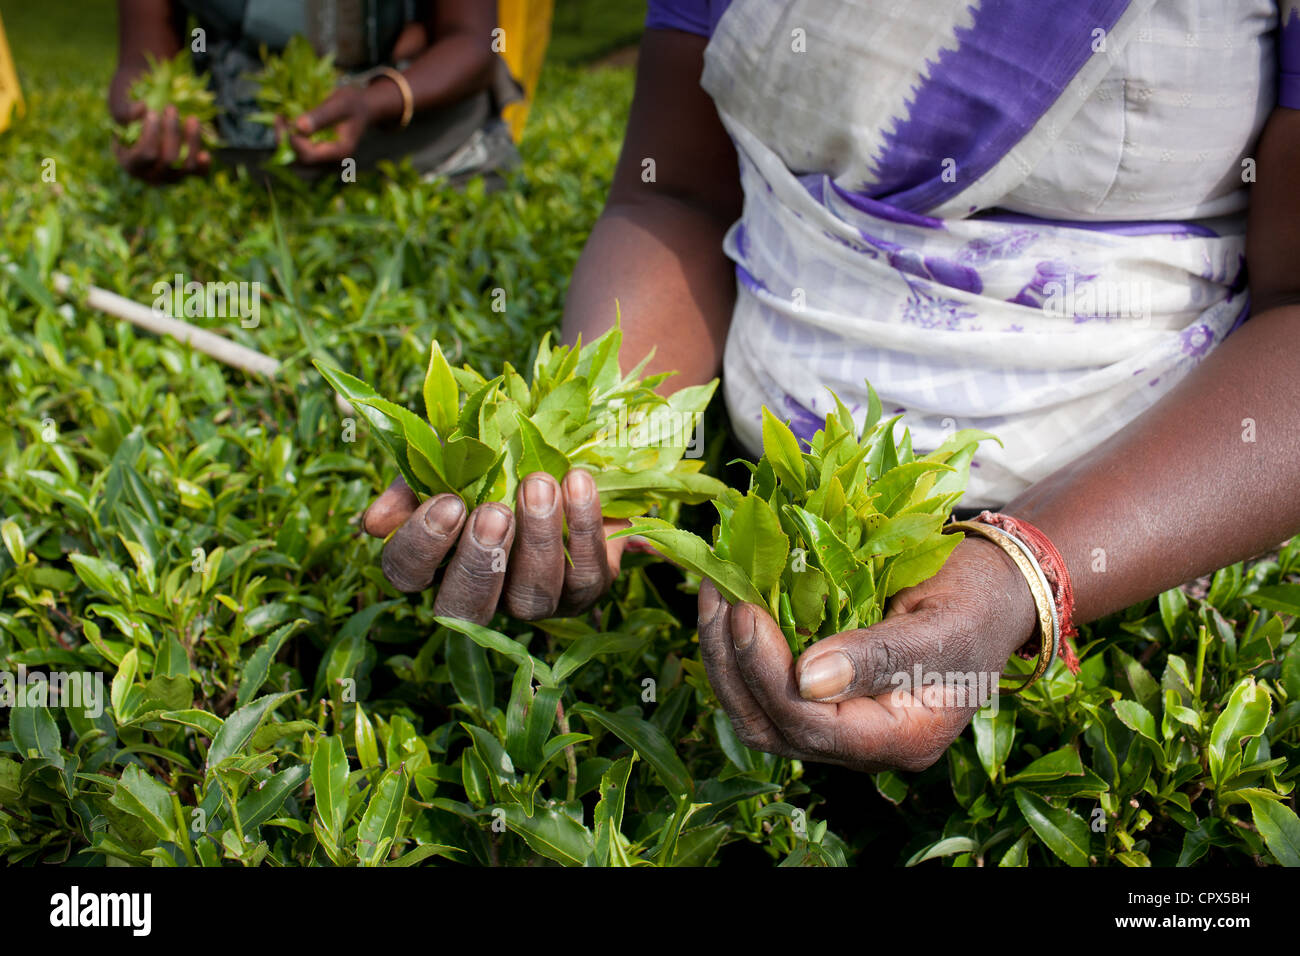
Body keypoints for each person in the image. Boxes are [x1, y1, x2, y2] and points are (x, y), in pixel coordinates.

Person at [364, 0, 1300, 773]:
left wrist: (1021, 578)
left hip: (1160, 540)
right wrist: (606, 464)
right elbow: (673, 193)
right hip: (763, 486)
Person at [109, 0, 522, 184]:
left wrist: (374, 101)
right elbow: (143, 50)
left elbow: (472, 42)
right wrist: (144, 114)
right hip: (246, 160)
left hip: (427, 155)